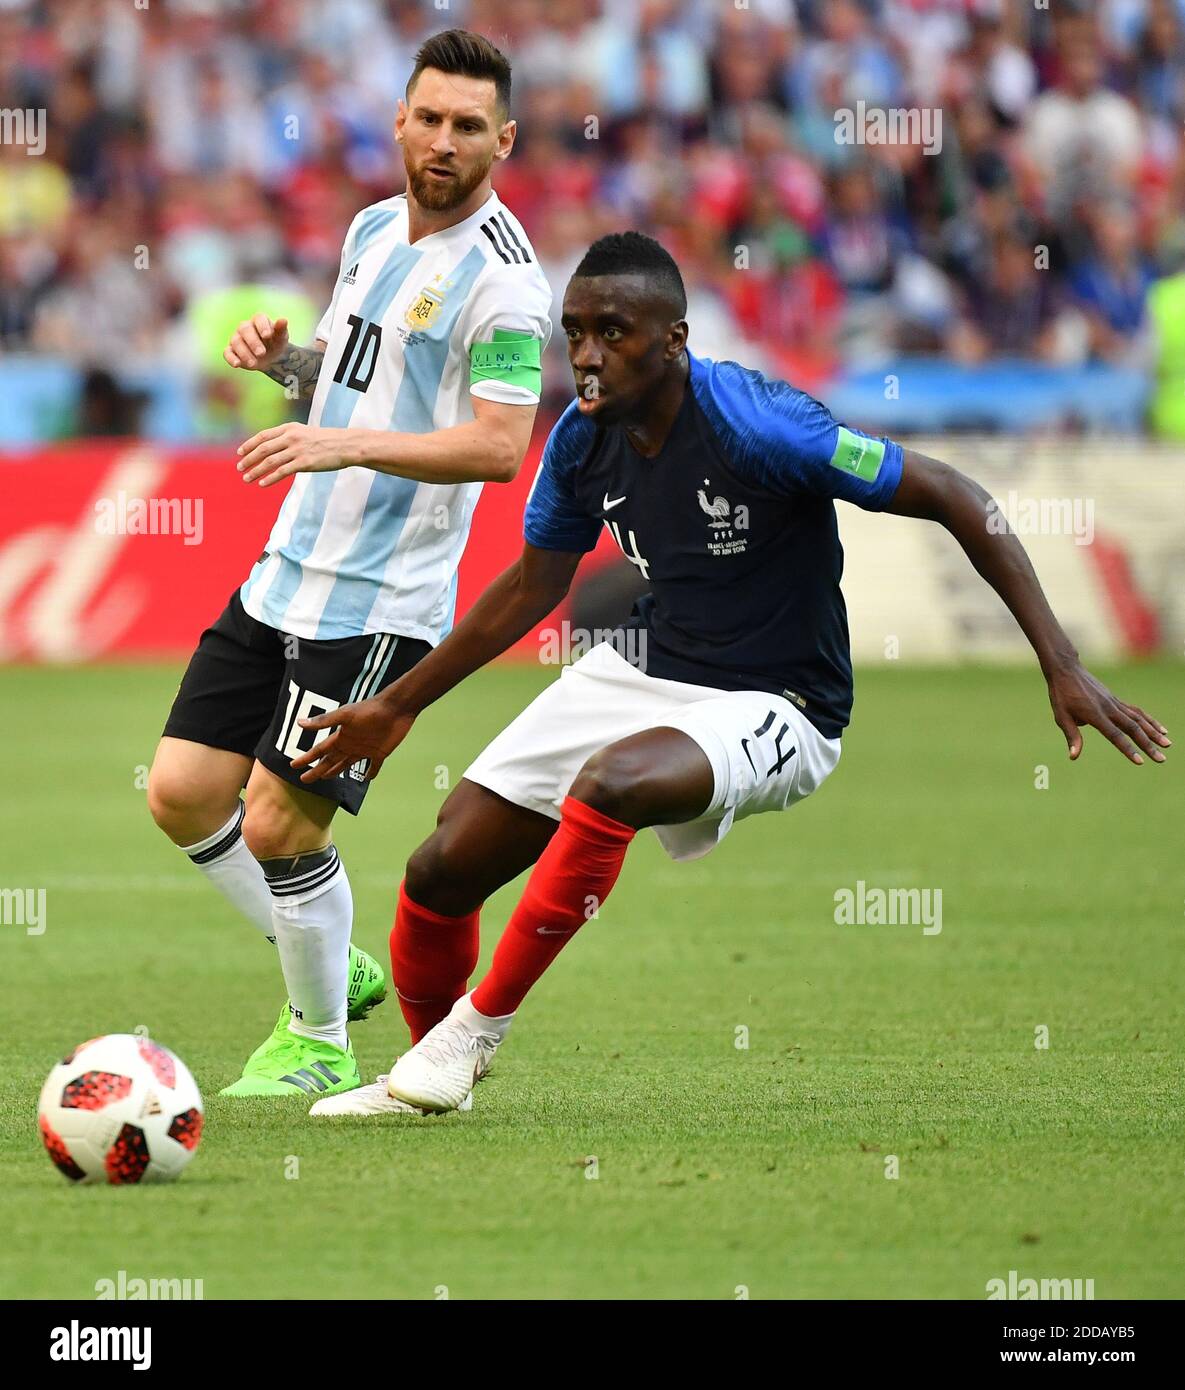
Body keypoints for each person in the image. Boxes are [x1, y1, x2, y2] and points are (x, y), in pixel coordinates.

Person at [295, 232, 1170, 1117]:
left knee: (613, 784)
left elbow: (952, 493)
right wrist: (399, 705)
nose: (588, 357)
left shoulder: (761, 424)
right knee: (442, 864)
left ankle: (474, 1034)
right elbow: (533, 585)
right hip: (652, 669)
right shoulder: (580, 437)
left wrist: (1060, 665)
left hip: (784, 703)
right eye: (575, 334)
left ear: (673, 339)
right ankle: (426, 1077)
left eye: (613, 332)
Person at [145, 30, 552, 1098]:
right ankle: (327, 955)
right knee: (183, 792)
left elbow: (501, 445)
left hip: (378, 602)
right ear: (400, 123)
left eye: (470, 127)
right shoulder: (374, 228)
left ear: (503, 142)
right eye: (430, 119)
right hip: (289, 564)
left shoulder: (506, 285)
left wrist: (338, 441)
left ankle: (317, 1032)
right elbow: (353, 375)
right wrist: (287, 364)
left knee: (280, 822)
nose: (445, 142)